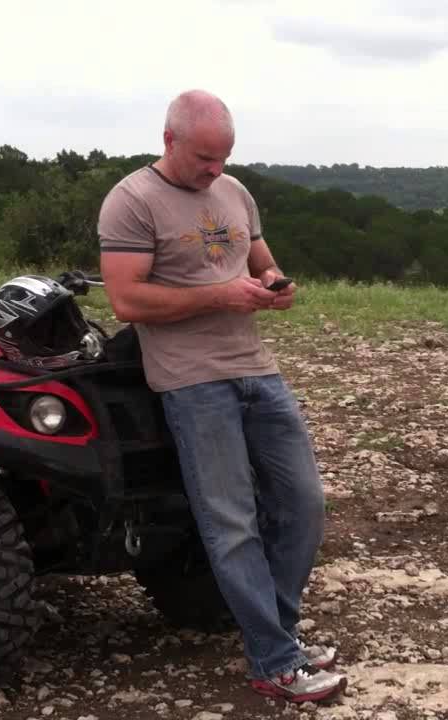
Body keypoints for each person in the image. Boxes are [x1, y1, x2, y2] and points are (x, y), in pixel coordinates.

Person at [96, 89, 346, 704]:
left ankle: (276, 636)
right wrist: (220, 295)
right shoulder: (131, 199)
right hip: (191, 380)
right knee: (231, 522)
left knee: (303, 504)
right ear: (169, 140)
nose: (215, 169)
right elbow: (126, 300)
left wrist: (275, 285)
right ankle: (274, 661)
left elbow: (261, 263)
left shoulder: (234, 192)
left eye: (224, 157)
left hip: (256, 368)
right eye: (204, 157)